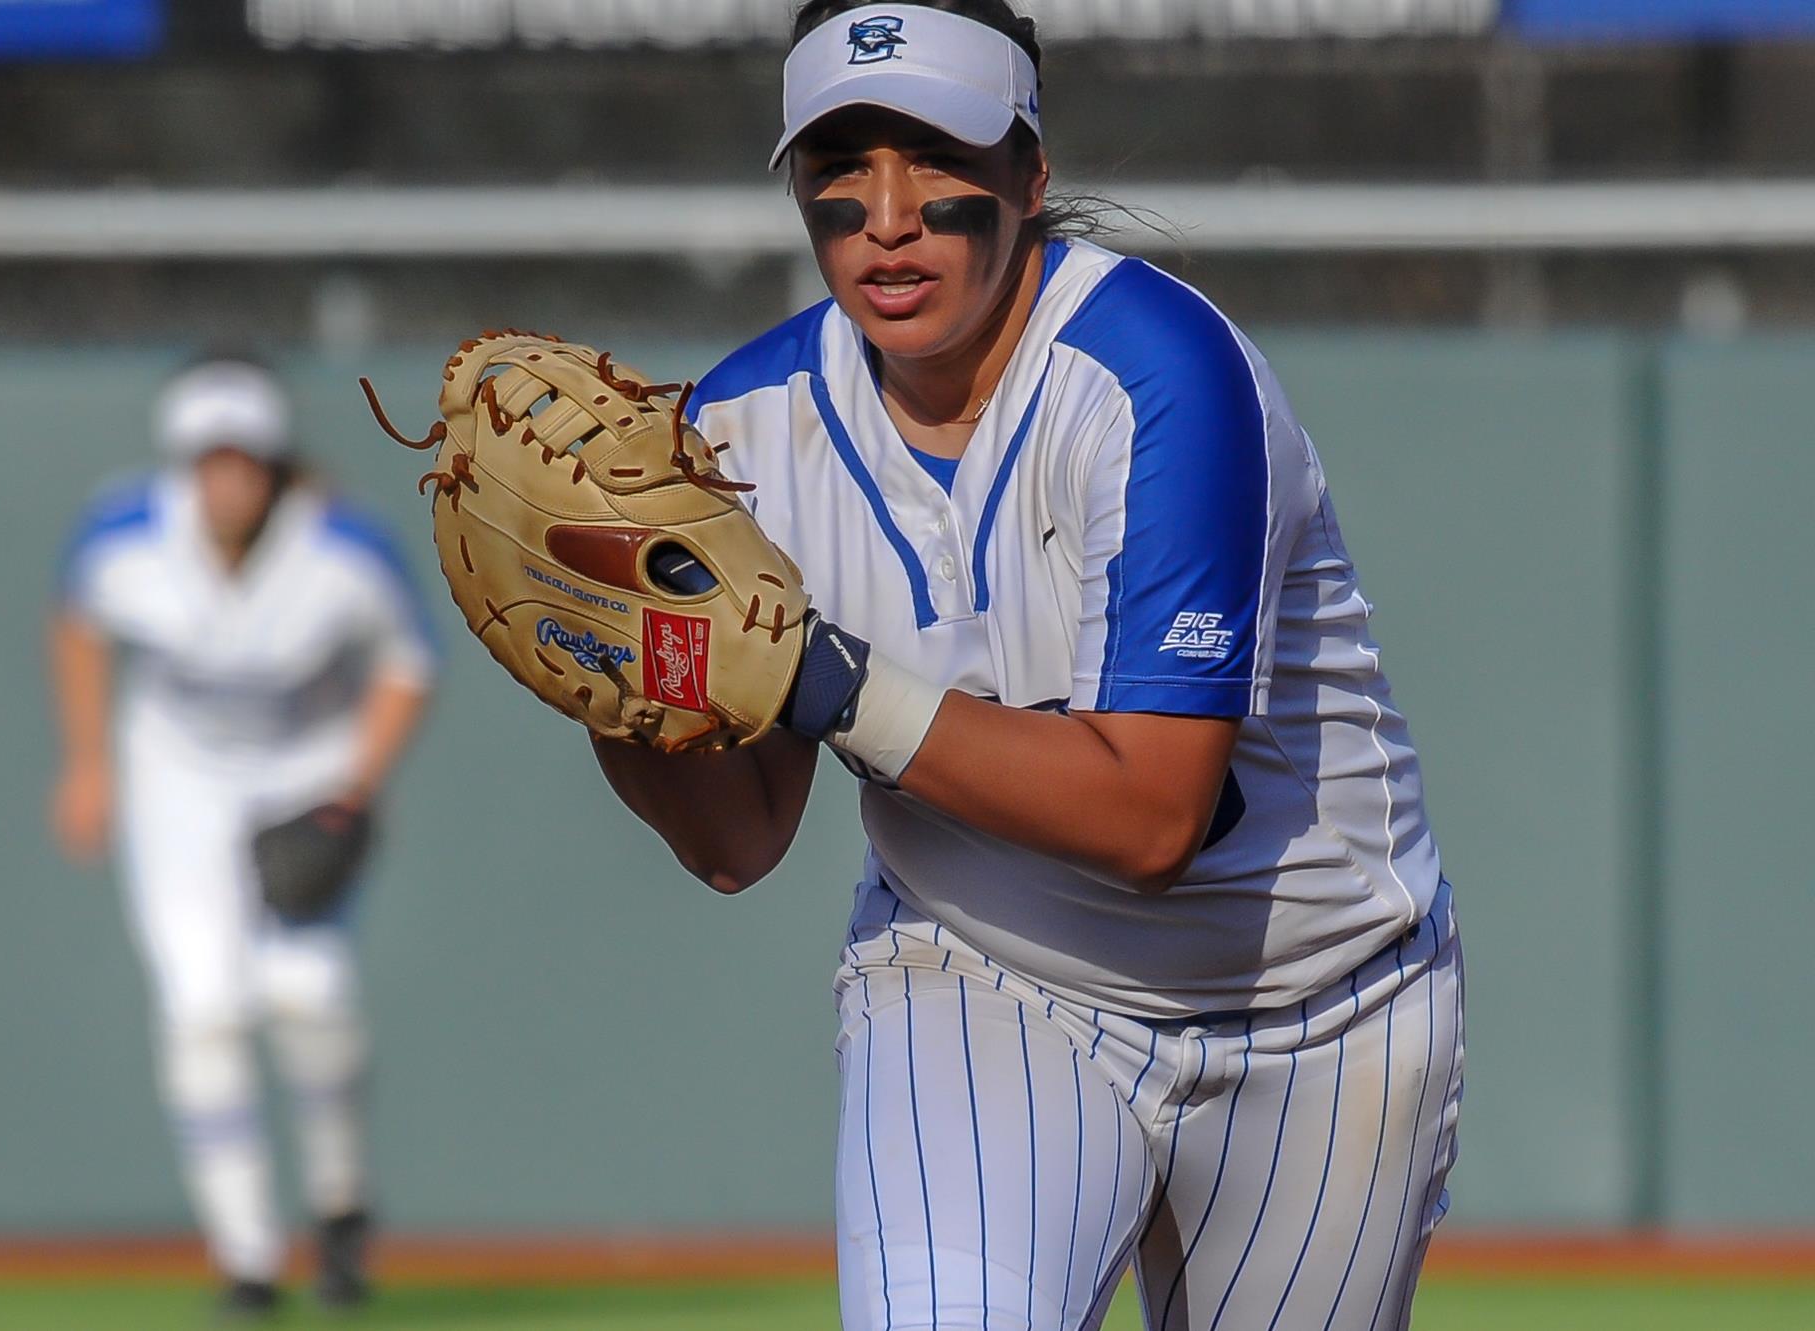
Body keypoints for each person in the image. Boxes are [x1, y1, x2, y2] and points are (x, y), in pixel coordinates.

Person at [594, 3, 1463, 1328]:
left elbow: (1151, 813)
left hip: (1317, 1003)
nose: (886, 213)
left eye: (935, 155)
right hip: (984, 974)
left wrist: (833, 683)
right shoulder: (737, 431)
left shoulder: (1158, 372)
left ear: (1029, 173)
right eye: (841, 162)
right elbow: (738, 837)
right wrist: (616, 690)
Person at [48, 356, 436, 1318]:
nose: (225, 481)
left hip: (304, 768)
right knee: (202, 1010)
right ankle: (247, 1256)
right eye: (207, 460)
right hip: (176, 778)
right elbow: (77, 623)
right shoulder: (129, 534)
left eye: (244, 460)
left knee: (307, 998)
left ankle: (340, 1203)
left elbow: (406, 663)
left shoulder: (341, 549)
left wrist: (353, 791)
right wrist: (89, 762)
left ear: (274, 464)